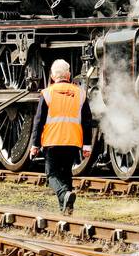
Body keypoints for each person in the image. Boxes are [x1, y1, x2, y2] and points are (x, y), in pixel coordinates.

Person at [30, 60, 94, 214]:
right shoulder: (80, 94)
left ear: (52, 76)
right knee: (66, 175)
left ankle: (64, 195)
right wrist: (87, 146)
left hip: (52, 141)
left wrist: (35, 145)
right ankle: (66, 209)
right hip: (73, 142)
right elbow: (87, 121)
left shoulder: (47, 93)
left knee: (52, 174)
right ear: (69, 75)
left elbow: (38, 122)